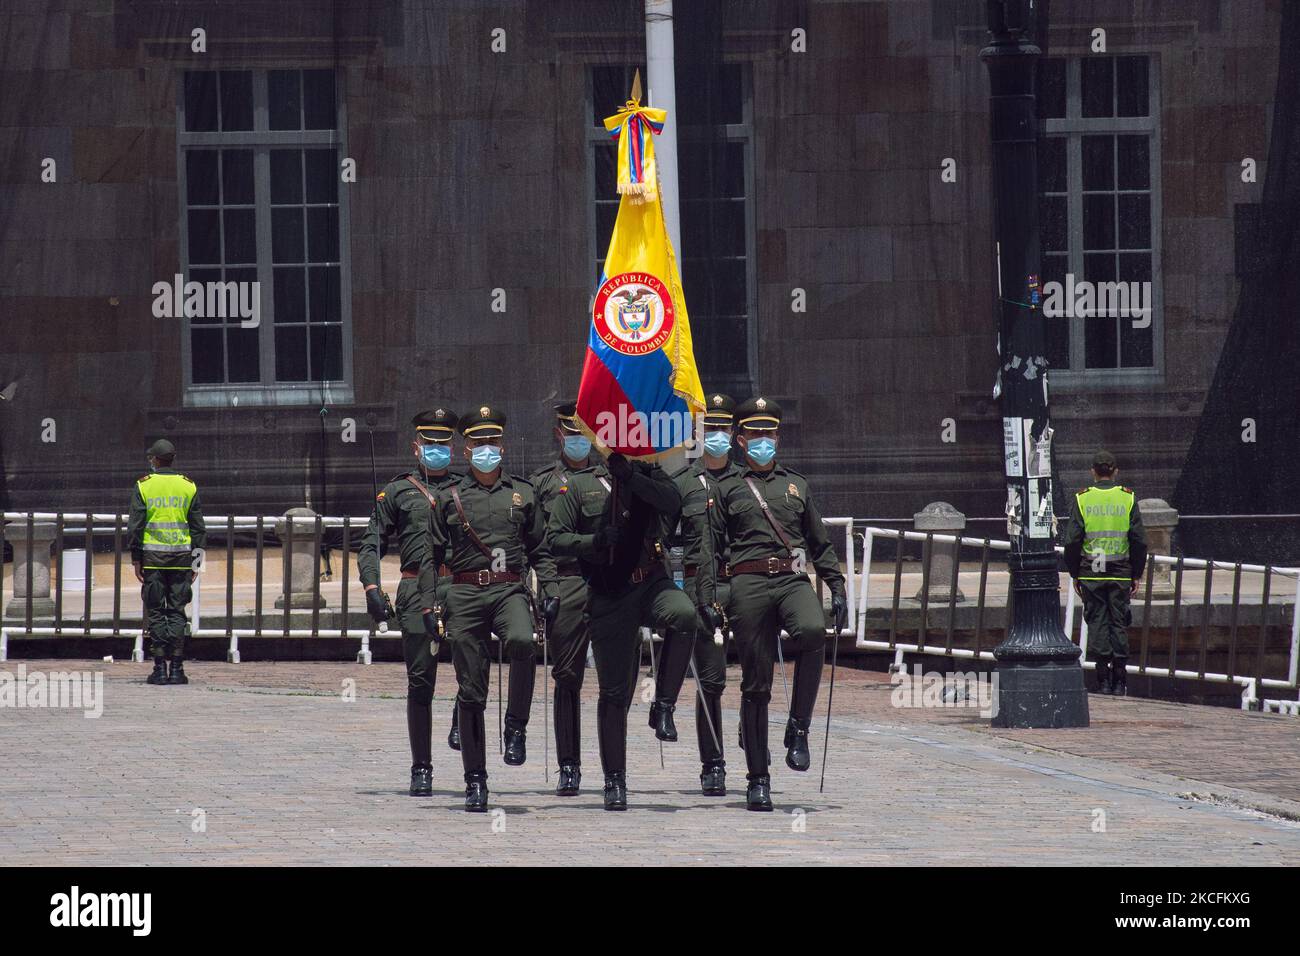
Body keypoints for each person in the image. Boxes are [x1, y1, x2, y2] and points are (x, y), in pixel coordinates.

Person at [699, 397, 848, 811]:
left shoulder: (796, 485)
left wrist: (837, 587)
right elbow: (710, 550)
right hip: (747, 583)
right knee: (755, 684)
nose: (764, 440)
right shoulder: (726, 489)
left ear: (777, 437)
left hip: (792, 577)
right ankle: (757, 778)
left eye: (770, 433)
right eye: (756, 434)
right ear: (741, 440)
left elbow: (819, 542)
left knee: (814, 630)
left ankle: (798, 727)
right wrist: (709, 596)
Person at [421, 405, 559, 812]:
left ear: (502, 444)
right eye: (478, 442)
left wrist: (549, 588)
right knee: (471, 691)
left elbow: (540, 549)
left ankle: (516, 725)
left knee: (521, 640)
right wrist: (430, 603)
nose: (487, 448)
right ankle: (475, 779)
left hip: (509, 590)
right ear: (466, 450)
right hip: (464, 595)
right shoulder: (448, 498)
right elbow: (430, 556)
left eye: (492, 441)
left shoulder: (523, 493)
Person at [547, 447, 697, 810]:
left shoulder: (650, 475)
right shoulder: (580, 486)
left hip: (650, 582)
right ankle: (614, 779)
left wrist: (631, 475)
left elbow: (671, 502)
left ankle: (663, 704)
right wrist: (594, 542)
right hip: (610, 592)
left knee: (684, 615)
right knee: (614, 694)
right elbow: (556, 538)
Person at [358, 407, 459, 797]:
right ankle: (421, 767)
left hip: (460, 588)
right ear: (416, 447)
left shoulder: (465, 490)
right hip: (416, 589)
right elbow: (372, 543)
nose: (437, 449)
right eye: (430, 444)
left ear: (453, 447)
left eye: (444, 443)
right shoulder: (398, 491)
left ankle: (460, 721)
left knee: (473, 672)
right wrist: (371, 588)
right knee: (420, 682)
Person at [527, 401, 606, 796]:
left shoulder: (610, 477)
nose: (579, 441)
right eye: (572, 434)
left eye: (584, 434)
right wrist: (538, 589)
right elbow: (534, 542)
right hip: (564, 582)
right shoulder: (541, 484)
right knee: (567, 677)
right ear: (560, 435)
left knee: (615, 679)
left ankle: (615, 770)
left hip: (605, 582)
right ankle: (569, 765)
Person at [666, 393, 737, 795]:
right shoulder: (683, 485)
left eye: (721, 429)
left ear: (732, 434)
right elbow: (661, 539)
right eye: (708, 429)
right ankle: (713, 764)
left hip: (744, 585)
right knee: (711, 679)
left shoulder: (747, 483)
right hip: (699, 589)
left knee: (756, 673)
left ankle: (753, 730)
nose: (715, 436)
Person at [1061, 450, 1148, 697]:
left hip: (1092, 573)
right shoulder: (1128, 499)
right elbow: (1139, 540)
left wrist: (1075, 573)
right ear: (1115, 471)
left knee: (1097, 622)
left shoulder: (1082, 499)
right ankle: (1120, 679)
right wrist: (1136, 573)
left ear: (1093, 472)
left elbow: (1073, 541)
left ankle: (1103, 680)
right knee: (1118, 622)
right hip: (1120, 572)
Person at [128, 439, 206, 686]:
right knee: (177, 612)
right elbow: (199, 529)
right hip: (182, 560)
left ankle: (160, 668)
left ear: (155, 460)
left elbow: (135, 528)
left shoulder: (144, 486)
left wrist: (136, 559)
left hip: (152, 560)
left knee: (156, 613)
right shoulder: (188, 486)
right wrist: (197, 564)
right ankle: (178, 669)